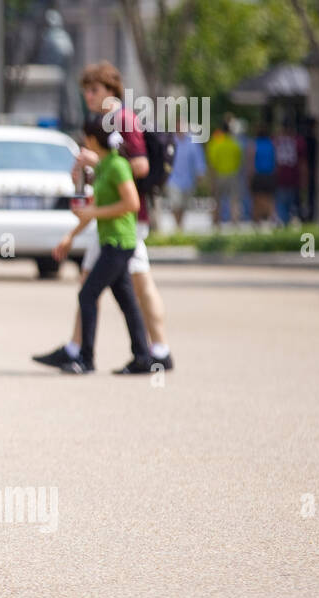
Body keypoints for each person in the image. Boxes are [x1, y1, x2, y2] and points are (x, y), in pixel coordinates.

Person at [32, 62, 173, 372]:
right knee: (123, 286)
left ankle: (90, 352)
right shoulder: (104, 122)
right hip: (114, 220)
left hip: (126, 219)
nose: (88, 96)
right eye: (86, 90)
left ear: (112, 91)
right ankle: (147, 351)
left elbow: (139, 167)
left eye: (94, 89)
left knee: (112, 286)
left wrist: (99, 160)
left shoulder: (121, 119)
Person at [49, 115, 153, 374]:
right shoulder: (105, 166)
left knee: (88, 294)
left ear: (94, 138)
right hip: (110, 240)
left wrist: (93, 214)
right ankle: (143, 356)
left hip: (120, 241)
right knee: (126, 300)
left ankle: (86, 359)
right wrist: (71, 234)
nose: (84, 144)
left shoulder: (117, 166)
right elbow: (94, 207)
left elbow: (132, 204)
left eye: (86, 138)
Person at [167, 127, 206, 230]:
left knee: (184, 205)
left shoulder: (192, 142)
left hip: (188, 180)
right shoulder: (170, 141)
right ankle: (178, 225)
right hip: (172, 179)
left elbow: (198, 159)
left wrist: (200, 173)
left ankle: (180, 224)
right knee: (175, 204)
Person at [206, 120, 242, 225]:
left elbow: (211, 162)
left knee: (217, 200)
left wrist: (211, 178)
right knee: (234, 201)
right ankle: (235, 222)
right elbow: (239, 160)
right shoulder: (235, 143)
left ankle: (216, 223)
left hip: (219, 175)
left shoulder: (216, 143)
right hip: (232, 174)